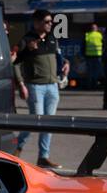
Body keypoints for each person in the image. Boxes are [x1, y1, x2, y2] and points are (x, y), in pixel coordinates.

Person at [11, 9, 69, 169]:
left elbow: (58, 57)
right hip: (35, 87)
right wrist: (21, 83)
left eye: (51, 21)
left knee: (48, 123)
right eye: (47, 21)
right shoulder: (27, 40)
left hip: (53, 87)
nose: (51, 24)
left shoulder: (52, 38)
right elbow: (14, 62)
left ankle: (43, 157)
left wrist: (65, 63)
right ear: (36, 23)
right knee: (35, 121)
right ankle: (17, 148)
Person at [84, 22, 104, 90]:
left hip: (89, 56)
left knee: (89, 72)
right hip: (98, 55)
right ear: (96, 29)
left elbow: (83, 45)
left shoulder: (87, 35)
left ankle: (89, 86)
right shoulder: (100, 35)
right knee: (96, 72)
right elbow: (104, 44)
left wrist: (84, 54)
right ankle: (94, 85)